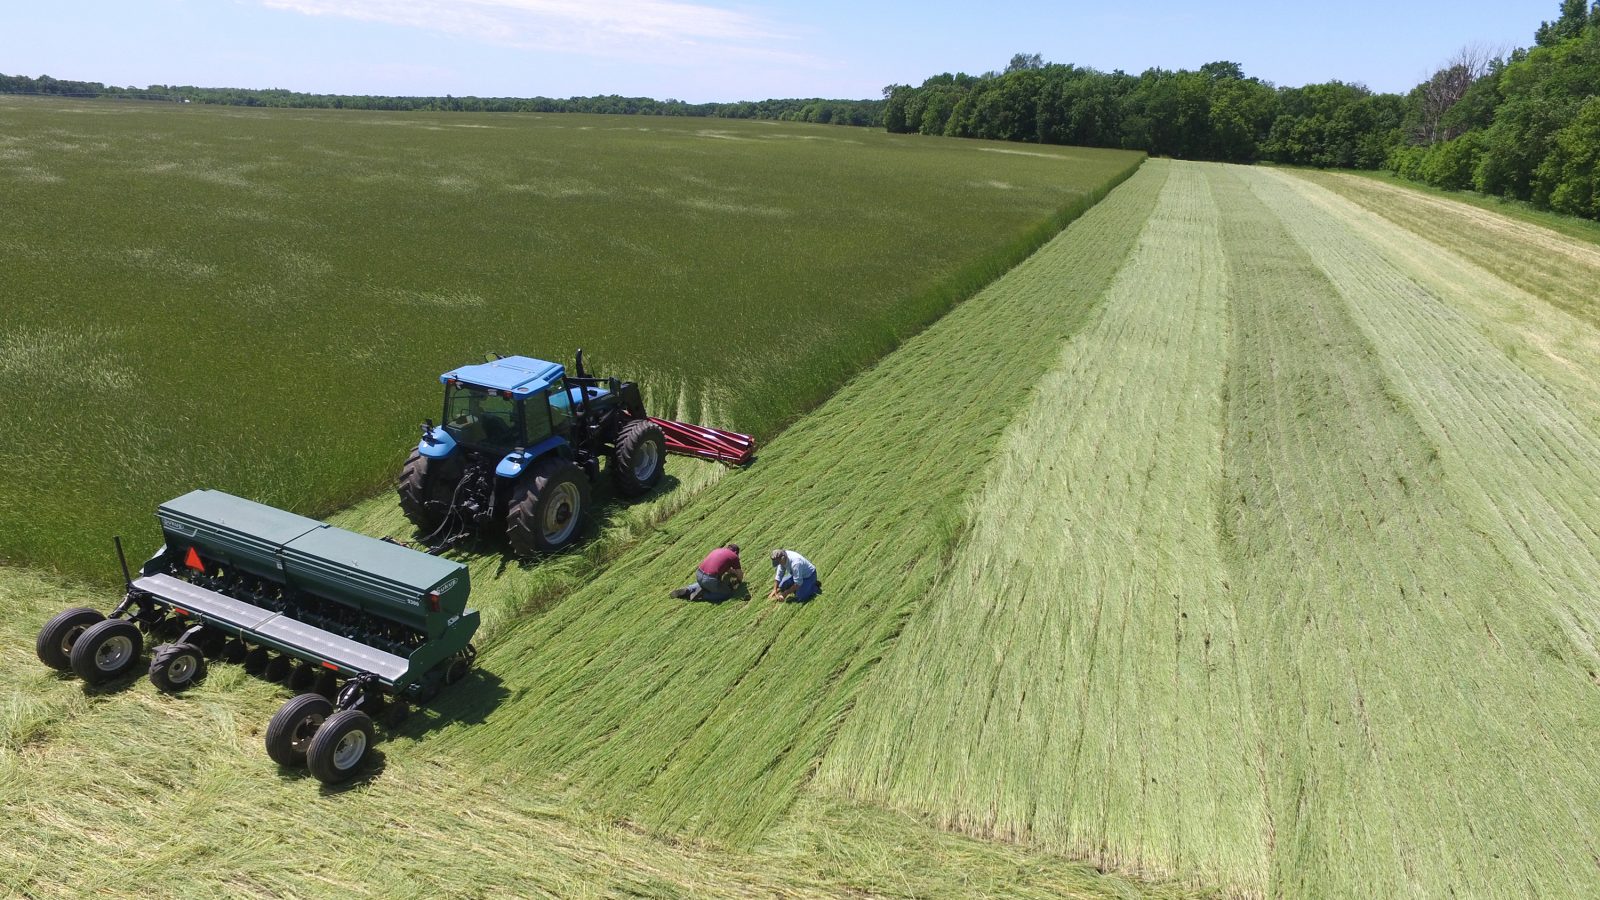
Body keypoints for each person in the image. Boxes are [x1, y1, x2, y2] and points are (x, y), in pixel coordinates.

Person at [671, 544, 743, 601]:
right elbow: (740, 574)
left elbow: (724, 567)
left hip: (699, 574)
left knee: (704, 584)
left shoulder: (718, 550)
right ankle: (703, 595)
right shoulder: (734, 556)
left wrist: (733, 572)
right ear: (736, 552)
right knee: (727, 593)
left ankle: (688, 589)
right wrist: (739, 581)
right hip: (710, 579)